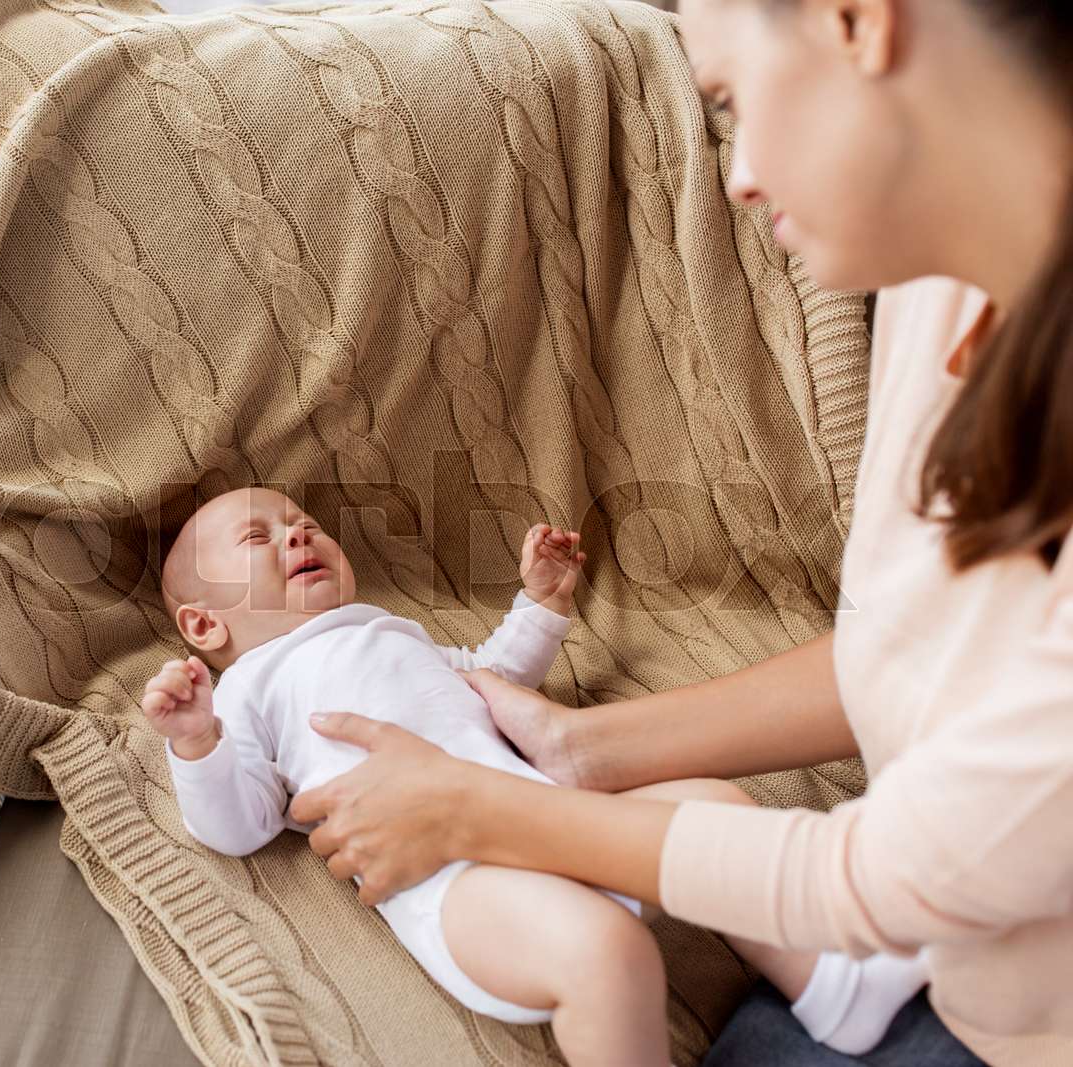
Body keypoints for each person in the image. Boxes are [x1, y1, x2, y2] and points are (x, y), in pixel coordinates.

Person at [283, 1, 1073, 1064]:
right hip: (928, 960)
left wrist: (480, 812)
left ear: (856, 23)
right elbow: (944, 649)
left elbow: (878, 873)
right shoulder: (947, 267)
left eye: (729, 98)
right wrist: (579, 745)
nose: (738, 175)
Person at [142, 487, 930, 1066]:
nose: (296, 534)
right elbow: (238, 823)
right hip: (458, 884)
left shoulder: (391, 631)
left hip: (548, 815)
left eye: (302, 523)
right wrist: (196, 741)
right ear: (208, 625)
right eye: (260, 536)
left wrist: (542, 603)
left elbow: (495, 682)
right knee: (607, 953)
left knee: (718, 809)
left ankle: (836, 985)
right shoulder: (248, 689)